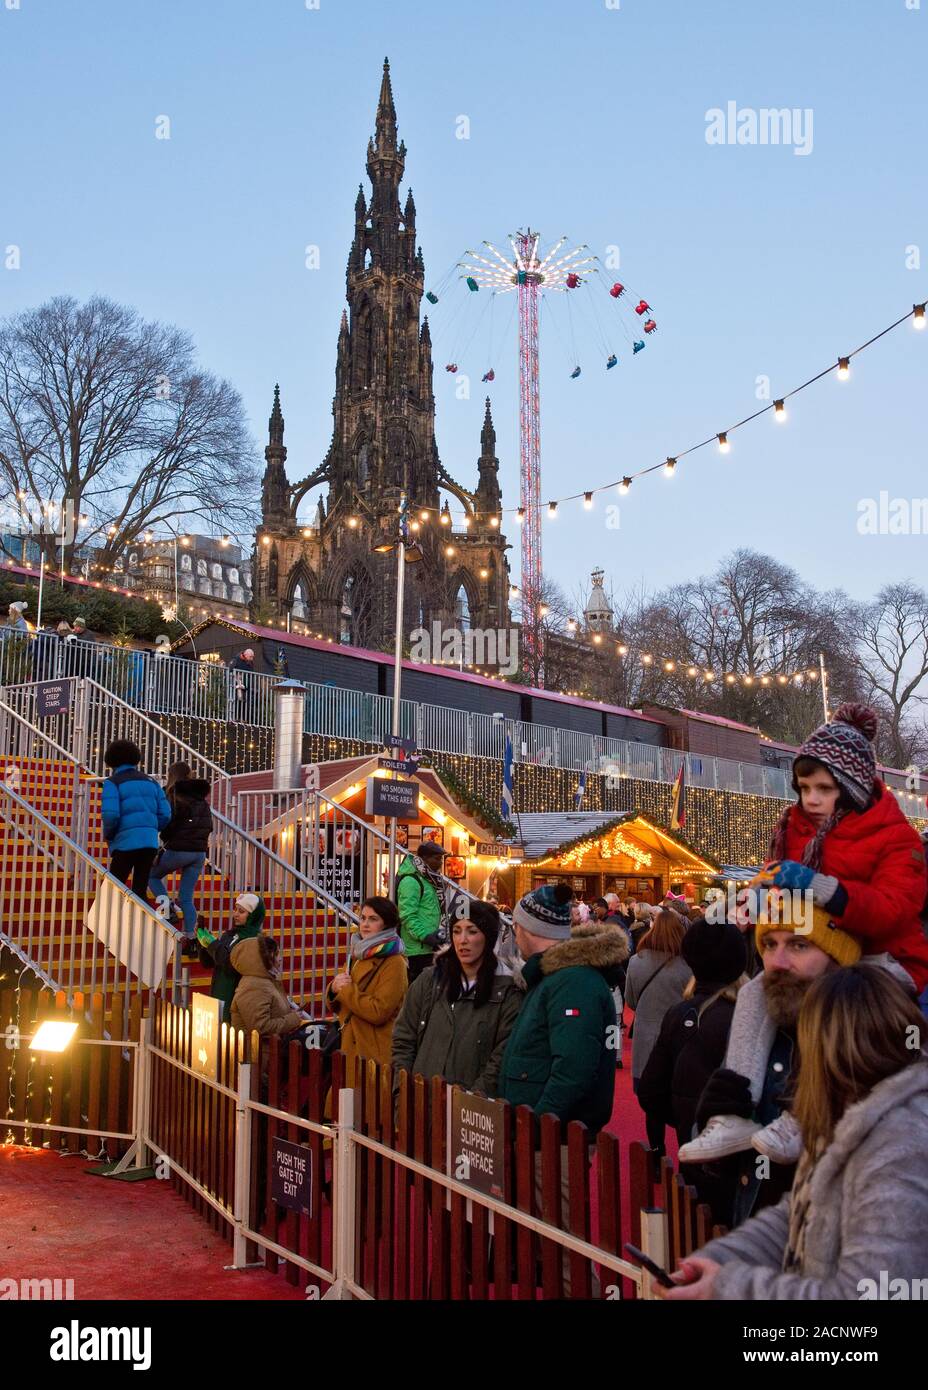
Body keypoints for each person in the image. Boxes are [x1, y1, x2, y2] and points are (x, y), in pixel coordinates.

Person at [687, 702, 928, 1166]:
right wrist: (758, 897)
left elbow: (894, 910)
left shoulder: (897, 838)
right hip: (819, 947)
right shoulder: (793, 827)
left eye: (824, 788)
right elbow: (784, 889)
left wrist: (820, 888)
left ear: (853, 789)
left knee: (845, 999)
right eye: (803, 788)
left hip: (884, 957)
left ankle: (806, 1111)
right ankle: (732, 1109)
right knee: (757, 992)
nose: (811, 799)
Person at [661, 964, 928, 1300]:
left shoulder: (902, 1144)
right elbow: (800, 1213)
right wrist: (719, 1259)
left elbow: (870, 1293)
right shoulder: (847, 1111)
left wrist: (728, 1286)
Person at [678, 900, 860, 1227]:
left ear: (838, 956)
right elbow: (713, 1173)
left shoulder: (875, 1039)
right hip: (755, 1234)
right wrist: (711, 1125)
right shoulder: (760, 1033)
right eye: (769, 944)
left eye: (799, 945)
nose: (777, 962)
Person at [498, 883, 628, 1296]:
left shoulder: (571, 982)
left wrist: (536, 1121)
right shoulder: (556, 977)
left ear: (524, 927)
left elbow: (573, 1068)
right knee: (547, 1242)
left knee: (562, 1243)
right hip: (543, 1133)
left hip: (554, 1136)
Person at [637, 919, 747, 1219]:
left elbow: (650, 1090)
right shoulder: (751, 1017)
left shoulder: (680, 1014)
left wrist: (686, 1117)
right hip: (745, 1158)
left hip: (694, 1146)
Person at [392, 900, 522, 1095]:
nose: (462, 940)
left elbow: (499, 1060)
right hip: (420, 1106)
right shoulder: (430, 981)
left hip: (471, 1113)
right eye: (456, 931)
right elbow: (403, 1039)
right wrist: (401, 1095)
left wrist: (470, 1106)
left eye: (472, 931)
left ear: (488, 937)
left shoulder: (507, 990)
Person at [327, 897, 408, 1069]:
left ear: (386, 924)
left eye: (373, 919)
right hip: (349, 1045)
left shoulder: (395, 962)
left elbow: (379, 1012)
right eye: (363, 918)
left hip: (374, 1051)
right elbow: (339, 1003)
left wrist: (345, 990)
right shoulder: (358, 953)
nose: (365, 924)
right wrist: (333, 990)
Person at [625, 908, 692, 1109]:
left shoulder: (636, 962)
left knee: (649, 1097)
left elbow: (631, 1000)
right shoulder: (687, 965)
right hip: (678, 1034)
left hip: (646, 1032)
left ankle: (655, 1141)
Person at [149, 761, 212, 955]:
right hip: (199, 853)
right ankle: (192, 940)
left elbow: (167, 823)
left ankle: (167, 908)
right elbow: (209, 825)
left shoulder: (172, 795)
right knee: (186, 897)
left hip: (178, 849)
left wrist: (165, 840)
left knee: (151, 875)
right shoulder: (202, 799)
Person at [100, 739, 172, 902]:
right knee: (140, 890)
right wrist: (151, 828)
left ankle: (106, 922)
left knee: (111, 888)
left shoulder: (112, 782)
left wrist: (109, 834)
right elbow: (166, 814)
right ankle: (139, 923)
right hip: (149, 843)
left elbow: (111, 815)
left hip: (124, 843)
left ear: (111, 760)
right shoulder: (152, 782)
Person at [196, 892, 266, 1021]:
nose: (235, 914)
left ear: (252, 916)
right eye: (235, 909)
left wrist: (213, 944)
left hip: (236, 998)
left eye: (241, 911)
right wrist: (202, 943)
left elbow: (231, 966)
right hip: (219, 994)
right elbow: (209, 963)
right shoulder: (230, 934)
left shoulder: (254, 941)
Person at [230, 934, 314, 1039]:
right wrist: (292, 1019)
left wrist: (290, 1014)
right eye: (277, 954)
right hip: (260, 1053)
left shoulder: (264, 981)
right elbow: (260, 1027)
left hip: (270, 1050)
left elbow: (271, 1012)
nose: (280, 959)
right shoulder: (254, 987)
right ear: (264, 959)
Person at [395, 840, 447, 982]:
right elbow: (407, 916)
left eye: (441, 859)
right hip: (416, 950)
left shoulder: (427, 879)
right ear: (424, 858)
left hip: (429, 946)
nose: (440, 863)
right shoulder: (411, 881)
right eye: (437, 858)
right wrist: (425, 936)